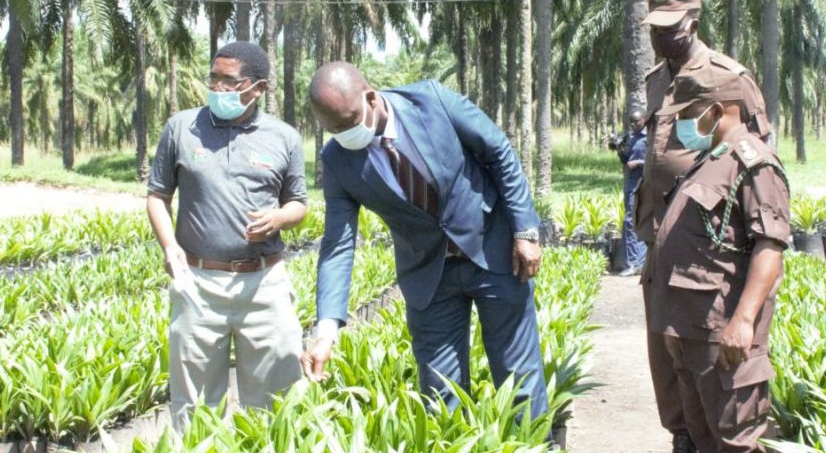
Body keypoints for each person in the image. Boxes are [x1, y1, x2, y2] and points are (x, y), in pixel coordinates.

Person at [303, 63, 548, 418]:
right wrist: (326, 330)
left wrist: (525, 231)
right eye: (332, 129)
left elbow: (499, 153)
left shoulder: (431, 101)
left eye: (348, 121)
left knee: (517, 377)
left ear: (371, 98)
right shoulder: (337, 159)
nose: (343, 134)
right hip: (428, 276)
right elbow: (338, 244)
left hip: (494, 252)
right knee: (439, 394)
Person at [629, 0, 771, 453]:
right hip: (660, 238)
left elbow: (755, 150)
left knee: (709, 356)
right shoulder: (654, 81)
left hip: (708, 241)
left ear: (693, 20)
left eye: (672, 28)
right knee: (665, 353)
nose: (663, 38)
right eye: (655, 30)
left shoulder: (726, 76)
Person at [649, 70, 790, 453]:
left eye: (689, 115)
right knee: (708, 436)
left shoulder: (754, 163)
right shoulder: (710, 161)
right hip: (688, 328)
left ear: (720, 108)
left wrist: (745, 319)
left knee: (738, 437)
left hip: (724, 330)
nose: (683, 125)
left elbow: (770, 247)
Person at [146, 41, 308, 430]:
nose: (218, 89)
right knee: (195, 407)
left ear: (259, 88)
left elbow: (299, 203)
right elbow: (157, 196)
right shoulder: (181, 128)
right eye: (213, 79)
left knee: (276, 406)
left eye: (229, 82)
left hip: (264, 283)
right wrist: (170, 249)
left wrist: (279, 218)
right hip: (198, 284)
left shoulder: (284, 137)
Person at [615, 109, 648, 276]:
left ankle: (636, 263)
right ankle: (636, 263)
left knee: (632, 221)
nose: (634, 125)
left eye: (637, 122)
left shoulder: (649, 138)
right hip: (630, 184)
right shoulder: (631, 137)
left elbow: (654, 160)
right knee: (629, 222)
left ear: (644, 119)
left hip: (643, 183)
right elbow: (626, 160)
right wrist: (619, 149)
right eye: (631, 122)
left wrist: (639, 163)